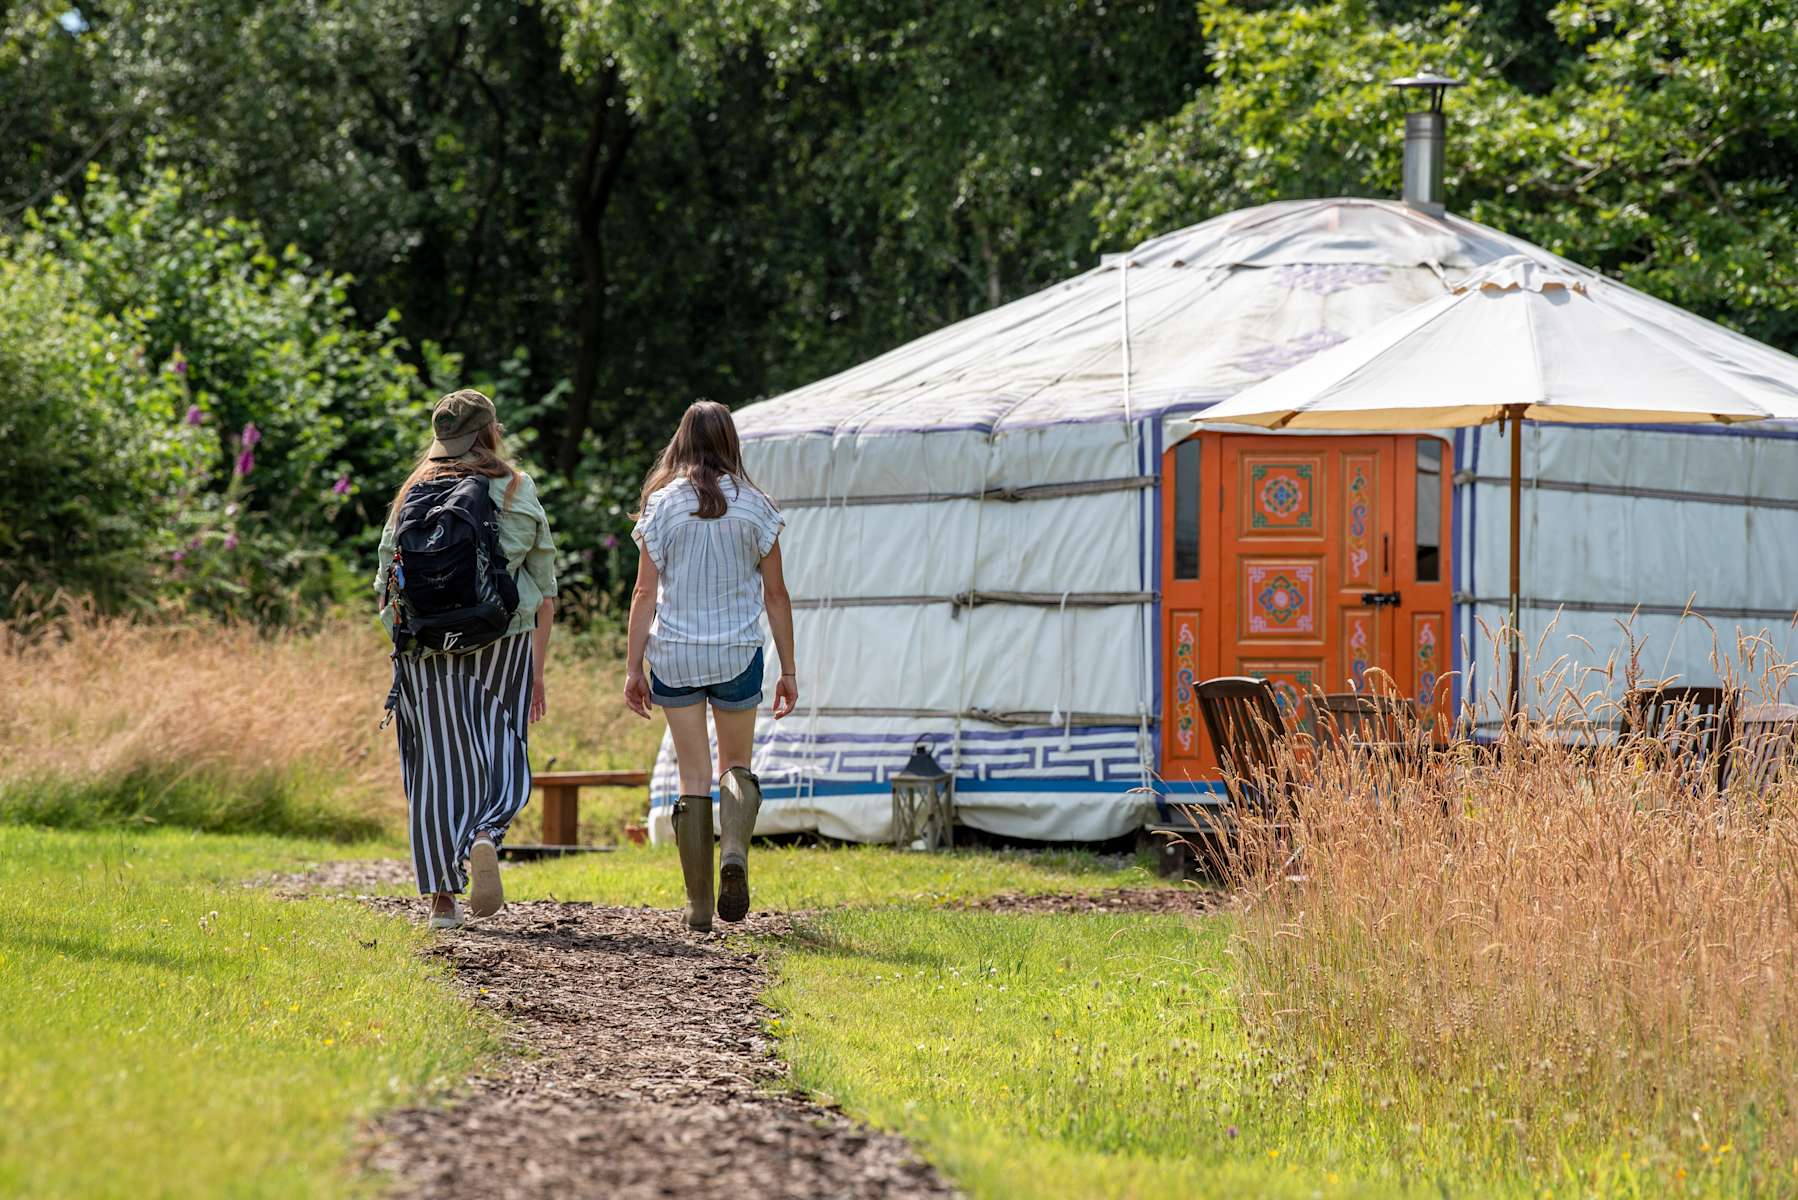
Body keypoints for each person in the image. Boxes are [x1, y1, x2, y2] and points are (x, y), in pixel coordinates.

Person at [376, 390, 558, 930]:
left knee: (434, 768)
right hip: (503, 640)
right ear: (491, 431)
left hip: (424, 648)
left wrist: (412, 639)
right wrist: (537, 672)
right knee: (501, 744)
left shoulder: (414, 490)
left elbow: (385, 588)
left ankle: (441, 904)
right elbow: (545, 591)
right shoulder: (517, 492)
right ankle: (485, 832)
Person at [623, 401, 797, 931]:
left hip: (675, 654)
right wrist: (788, 670)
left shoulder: (662, 506)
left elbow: (644, 592)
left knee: (693, 773)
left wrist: (634, 667)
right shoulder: (757, 509)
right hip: (737, 652)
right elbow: (776, 595)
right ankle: (734, 853)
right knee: (734, 765)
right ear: (730, 441)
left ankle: (699, 907)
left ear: (682, 440)